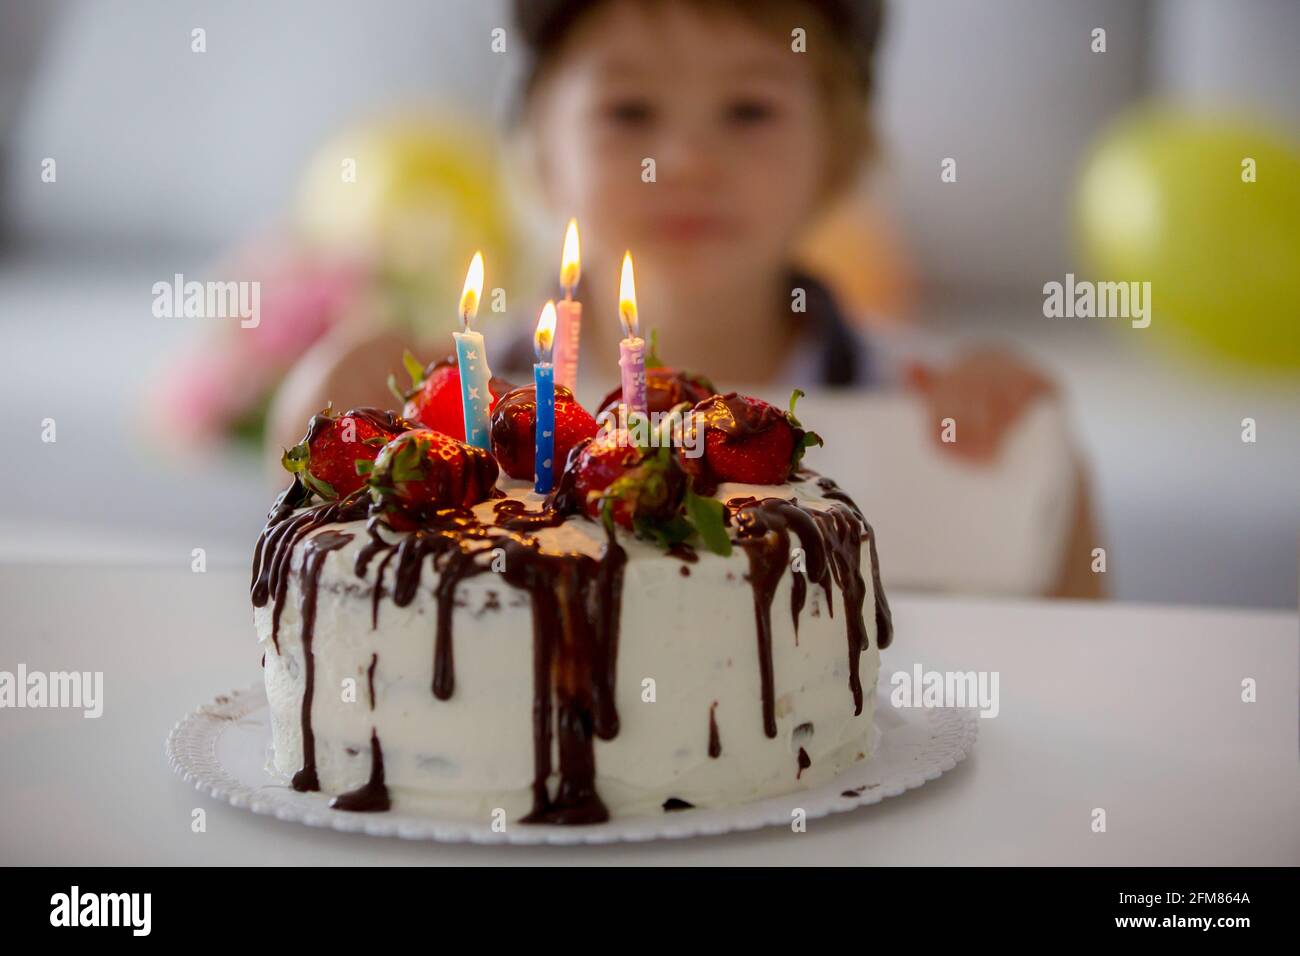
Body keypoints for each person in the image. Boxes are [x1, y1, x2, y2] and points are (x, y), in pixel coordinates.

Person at [270, 0, 1101, 597]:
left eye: (749, 110)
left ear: (838, 153)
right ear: (540, 155)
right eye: (628, 110)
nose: (688, 157)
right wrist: (325, 401)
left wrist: (1026, 448)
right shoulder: (464, 409)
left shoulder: (912, 397)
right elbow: (308, 552)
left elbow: (1074, 634)